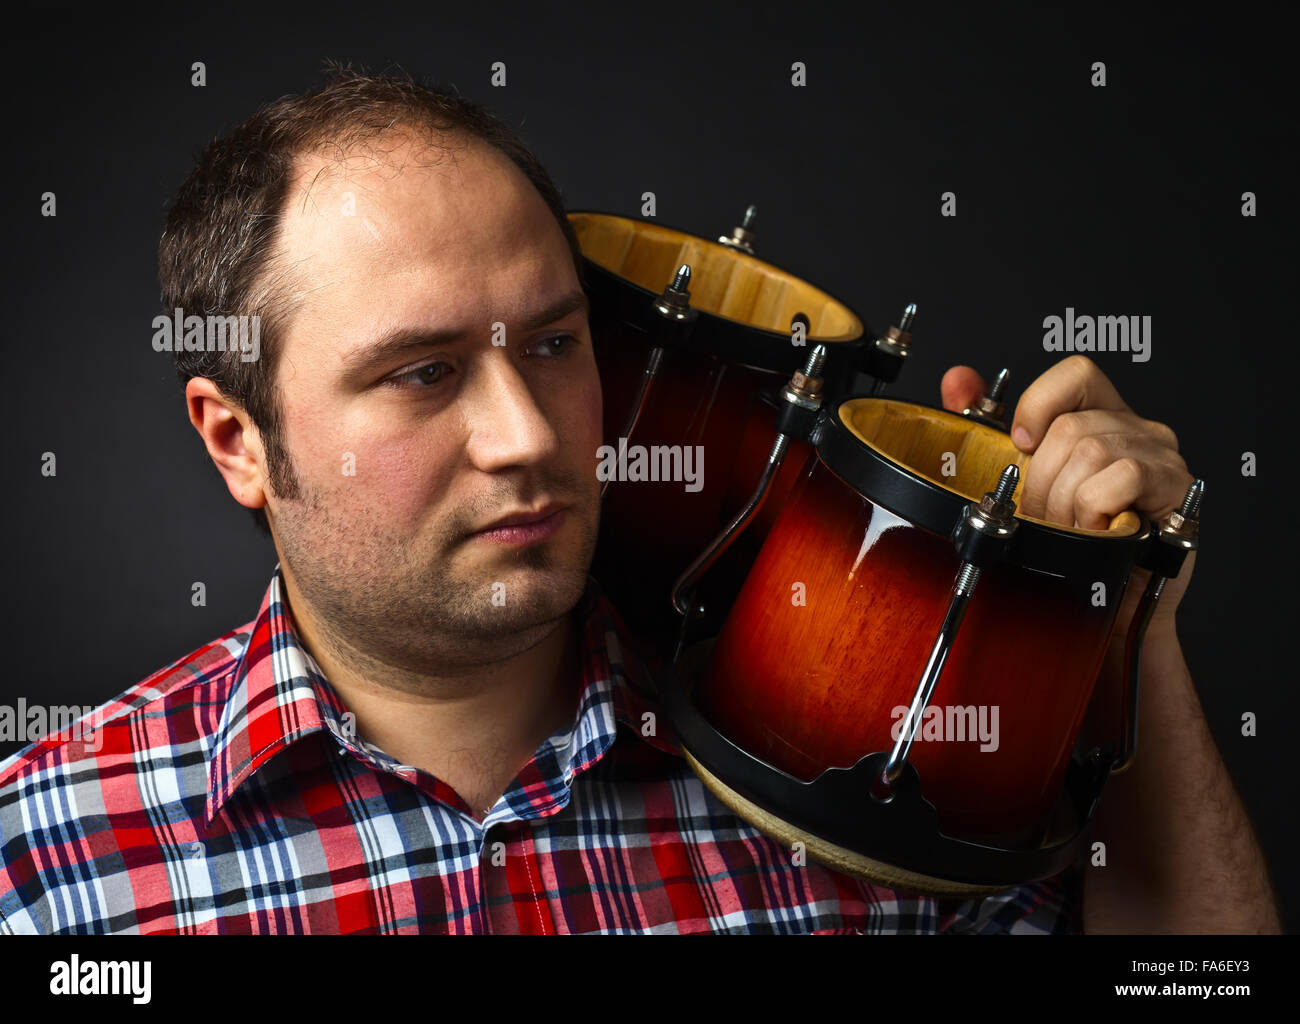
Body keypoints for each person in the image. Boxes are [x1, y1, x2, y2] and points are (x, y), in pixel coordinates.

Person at [0, 68, 1280, 935]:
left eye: (554, 346)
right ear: (238, 441)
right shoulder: (46, 855)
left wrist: (1127, 618)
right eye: (424, 372)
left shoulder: (850, 746)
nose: (528, 436)